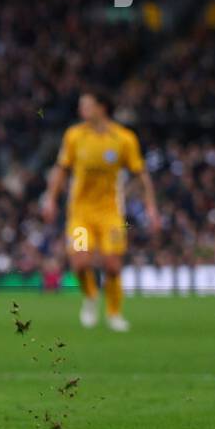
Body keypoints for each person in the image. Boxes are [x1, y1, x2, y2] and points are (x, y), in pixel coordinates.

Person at [42, 91, 159, 331]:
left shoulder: (123, 138)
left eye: (86, 105)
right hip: (81, 214)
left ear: (102, 107)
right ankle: (91, 297)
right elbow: (61, 169)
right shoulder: (74, 135)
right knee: (80, 262)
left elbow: (141, 174)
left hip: (110, 214)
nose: (81, 109)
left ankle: (114, 313)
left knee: (113, 265)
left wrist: (150, 207)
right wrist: (50, 200)